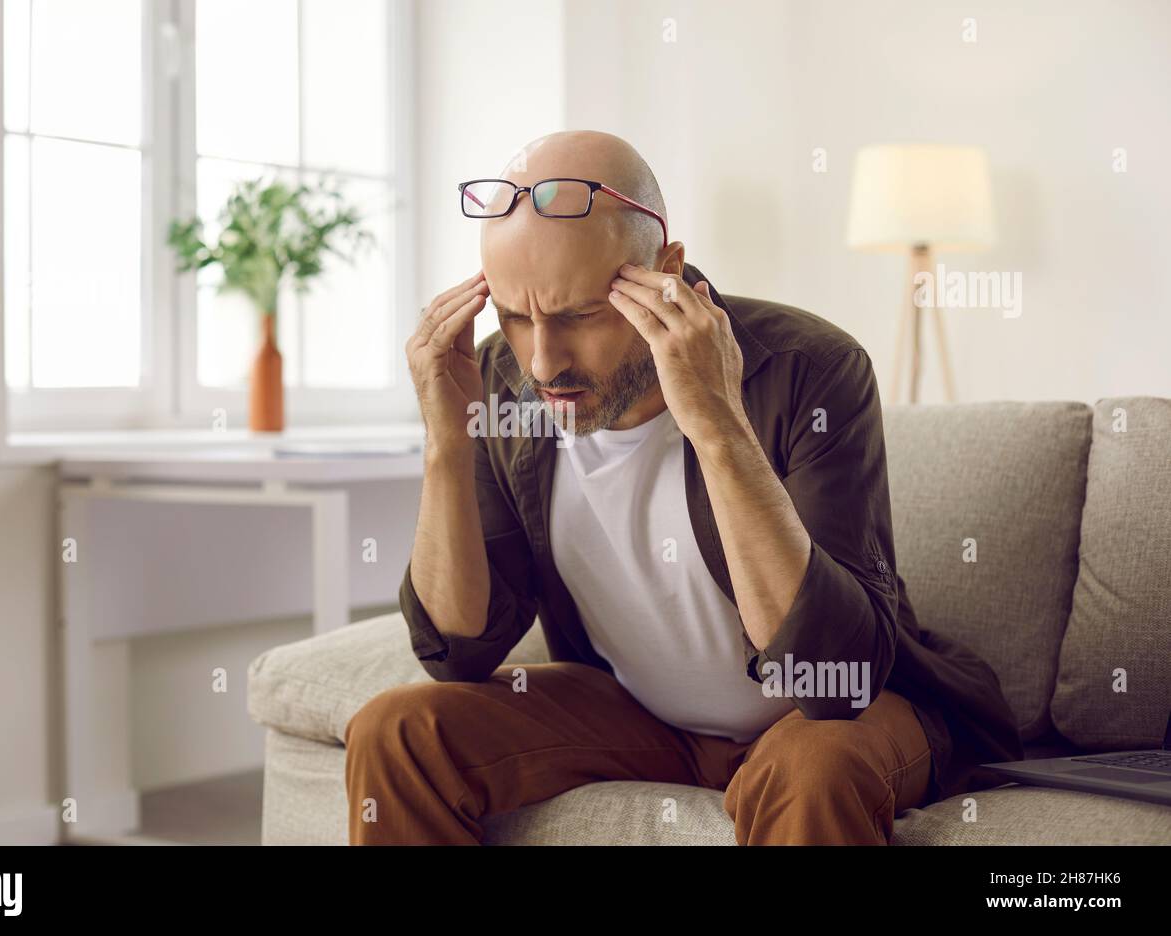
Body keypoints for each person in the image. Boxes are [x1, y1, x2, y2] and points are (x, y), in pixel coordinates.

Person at [345, 130, 1021, 845]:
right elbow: (457, 654)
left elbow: (831, 675)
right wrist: (447, 442)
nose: (543, 361)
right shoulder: (497, 385)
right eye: (514, 316)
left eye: (578, 315)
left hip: (838, 717)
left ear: (664, 269)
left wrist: (717, 423)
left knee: (811, 769)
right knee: (397, 731)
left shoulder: (811, 368)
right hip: (639, 716)